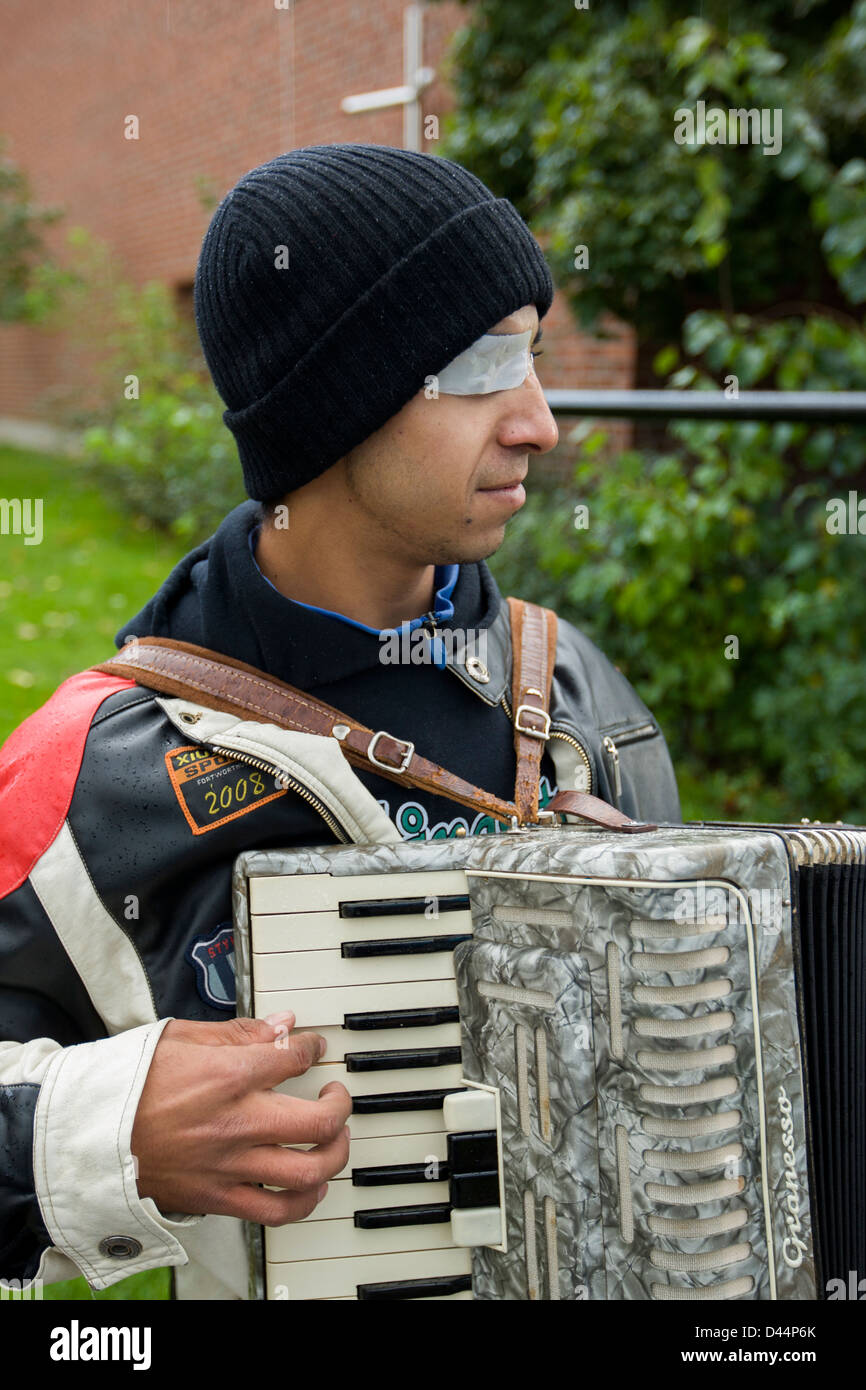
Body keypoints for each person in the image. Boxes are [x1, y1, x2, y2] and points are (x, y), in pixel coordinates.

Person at [0, 144, 680, 1300]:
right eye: (481, 364)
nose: (539, 422)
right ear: (331, 406)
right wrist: (94, 1134)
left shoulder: (571, 693)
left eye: (533, 356)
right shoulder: (82, 776)